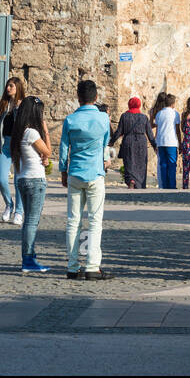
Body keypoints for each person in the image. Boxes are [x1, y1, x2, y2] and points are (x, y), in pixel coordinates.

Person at [59, 78, 112, 281]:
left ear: (78, 98)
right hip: (95, 173)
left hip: (75, 173)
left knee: (73, 221)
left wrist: (63, 171)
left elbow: (64, 149)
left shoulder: (70, 120)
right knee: (95, 221)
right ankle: (92, 266)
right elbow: (105, 143)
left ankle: (73, 266)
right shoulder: (103, 119)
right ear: (96, 97)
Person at [11, 95, 52, 273]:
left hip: (22, 178)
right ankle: (28, 259)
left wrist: (42, 159)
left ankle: (30, 256)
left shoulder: (18, 132)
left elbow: (36, 156)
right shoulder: (32, 133)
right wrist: (46, 131)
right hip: (35, 180)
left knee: (28, 221)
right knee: (32, 222)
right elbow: (48, 151)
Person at [0, 76, 26, 223]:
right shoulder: (3, 105)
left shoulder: (24, 105)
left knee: (18, 181)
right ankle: (9, 205)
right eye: (7, 86)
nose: (8, 88)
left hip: (20, 146)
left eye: (11, 86)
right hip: (6, 145)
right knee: (2, 179)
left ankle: (19, 211)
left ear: (18, 88)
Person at [110, 97, 156, 189]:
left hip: (128, 141)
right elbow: (150, 134)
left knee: (129, 162)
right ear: (139, 105)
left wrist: (111, 142)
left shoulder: (124, 116)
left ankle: (131, 180)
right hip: (141, 142)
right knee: (141, 164)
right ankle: (139, 183)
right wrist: (155, 145)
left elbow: (119, 131)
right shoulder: (144, 117)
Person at [153, 93, 181, 189]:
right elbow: (177, 130)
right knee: (172, 165)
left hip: (161, 142)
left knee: (163, 164)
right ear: (173, 103)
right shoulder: (175, 114)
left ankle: (164, 185)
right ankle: (172, 185)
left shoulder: (159, 114)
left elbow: (157, 127)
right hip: (171, 142)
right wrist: (180, 142)